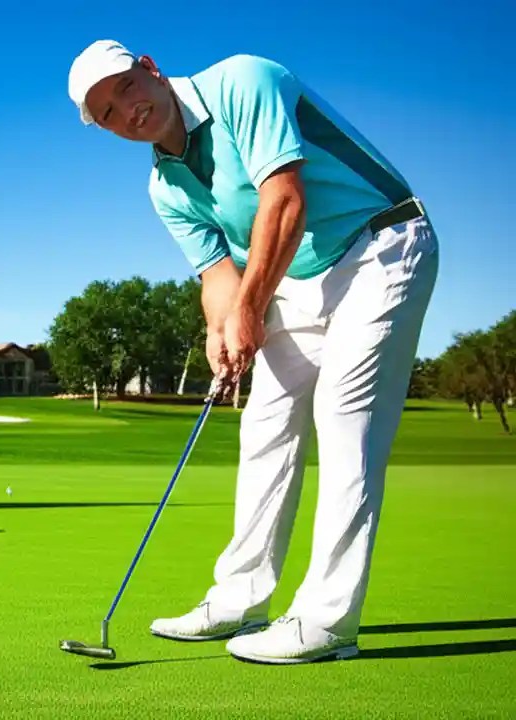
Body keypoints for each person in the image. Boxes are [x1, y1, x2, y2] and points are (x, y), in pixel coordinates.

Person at [66, 41, 438, 663]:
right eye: (105, 113)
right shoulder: (165, 187)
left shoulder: (242, 80)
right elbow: (217, 276)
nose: (125, 112)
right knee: (264, 426)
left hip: (381, 244)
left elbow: (285, 199)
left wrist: (249, 308)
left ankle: (326, 622)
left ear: (150, 68)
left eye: (125, 88)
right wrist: (221, 328)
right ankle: (240, 599)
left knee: (344, 419)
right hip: (300, 276)